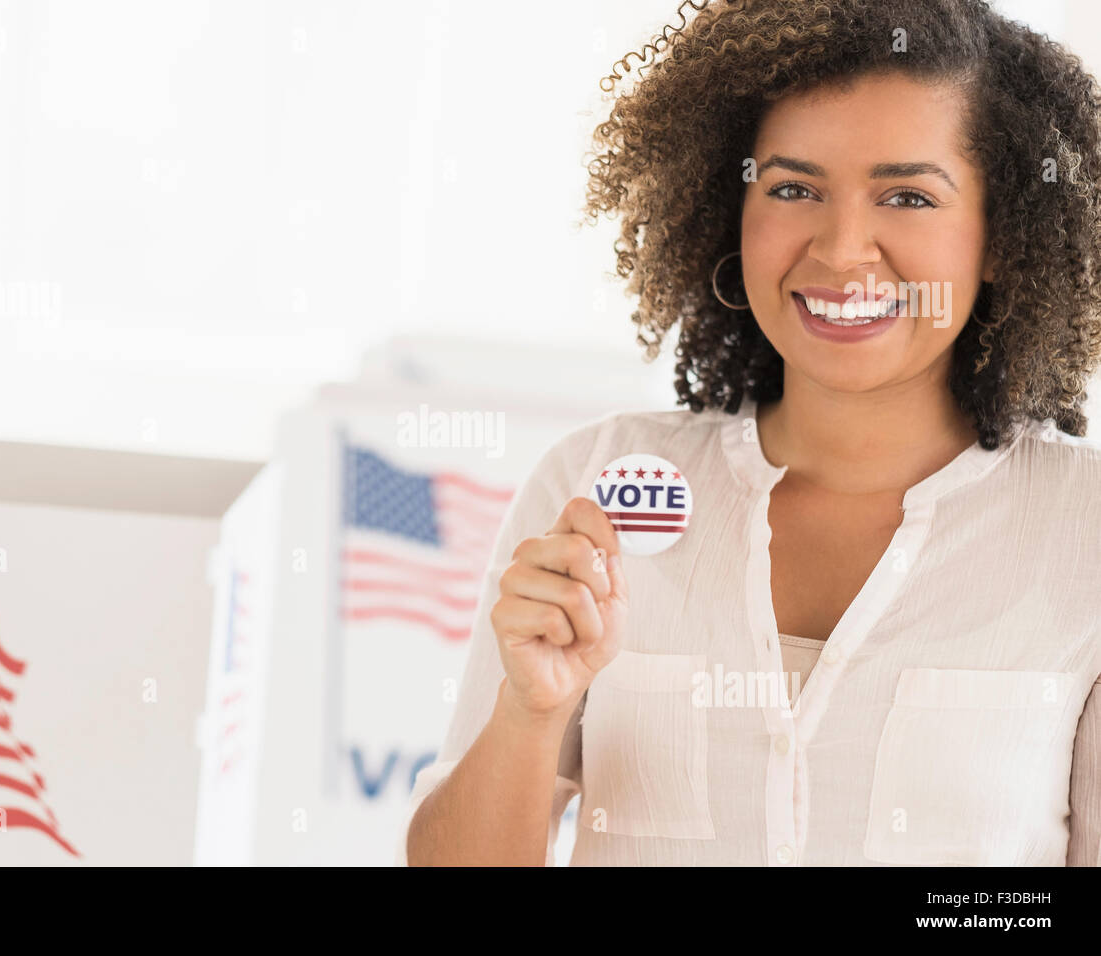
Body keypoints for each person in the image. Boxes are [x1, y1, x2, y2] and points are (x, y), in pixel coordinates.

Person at [400, 0, 1101, 866]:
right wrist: (531, 710)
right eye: (794, 188)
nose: (844, 251)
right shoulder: (599, 484)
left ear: (1002, 238)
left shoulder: (1086, 533)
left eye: (909, 196)